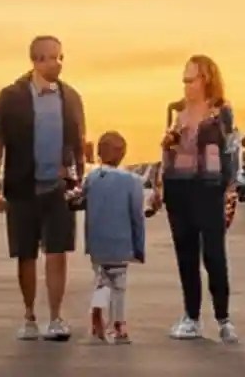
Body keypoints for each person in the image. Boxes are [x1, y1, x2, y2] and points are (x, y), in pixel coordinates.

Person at [0, 35, 87, 341]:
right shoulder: (11, 96)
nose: (55, 63)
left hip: (59, 189)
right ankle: (29, 315)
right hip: (22, 188)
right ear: (36, 60)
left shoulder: (70, 97)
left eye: (59, 57)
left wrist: (78, 179)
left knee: (57, 253)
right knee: (26, 254)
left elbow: (79, 142)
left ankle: (56, 318)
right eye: (48, 58)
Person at [150, 54, 241, 344]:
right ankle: (191, 317)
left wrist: (229, 186)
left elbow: (231, 151)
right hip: (179, 187)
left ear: (207, 79)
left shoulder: (221, 112)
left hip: (208, 187)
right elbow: (167, 152)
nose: (187, 86)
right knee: (186, 255)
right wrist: (160, 181)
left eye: (192, 79)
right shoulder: (177, 112)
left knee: (214, 255)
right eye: (184, 80)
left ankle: (224, 319)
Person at [81, 131, 146, 344]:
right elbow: (137, 216)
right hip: (121, 244)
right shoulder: (132, 181)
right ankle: (119, 324)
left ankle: (97, 316)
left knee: (101, 281)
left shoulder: (91, 179)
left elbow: (80, 200)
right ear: (123, 154)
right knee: (118, 285)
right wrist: (139, 247)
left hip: (97, 244)